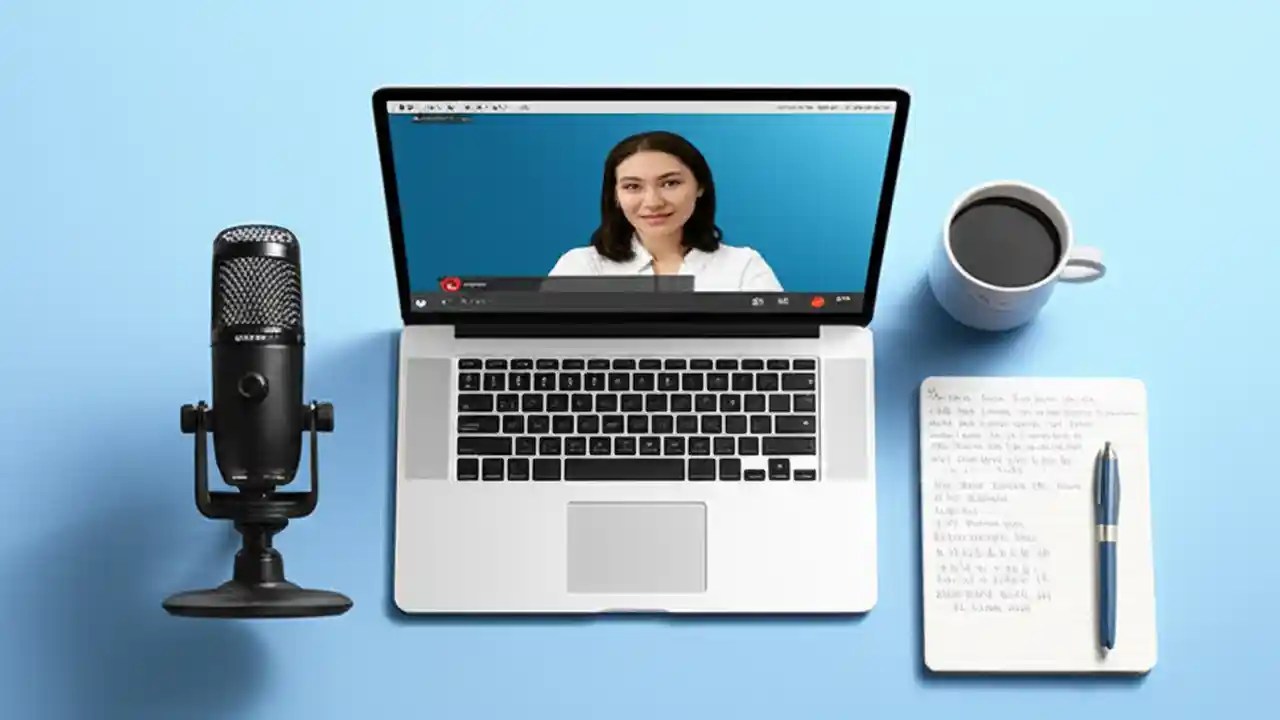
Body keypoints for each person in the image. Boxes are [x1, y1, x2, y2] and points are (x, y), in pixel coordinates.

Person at [549, 130, 783, 291]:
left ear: (700, 186)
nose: (653, 202)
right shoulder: (581, 267)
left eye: (670, 183)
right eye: (632, 186)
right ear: (616, 196)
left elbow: (777, 346)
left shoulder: (742, 265)